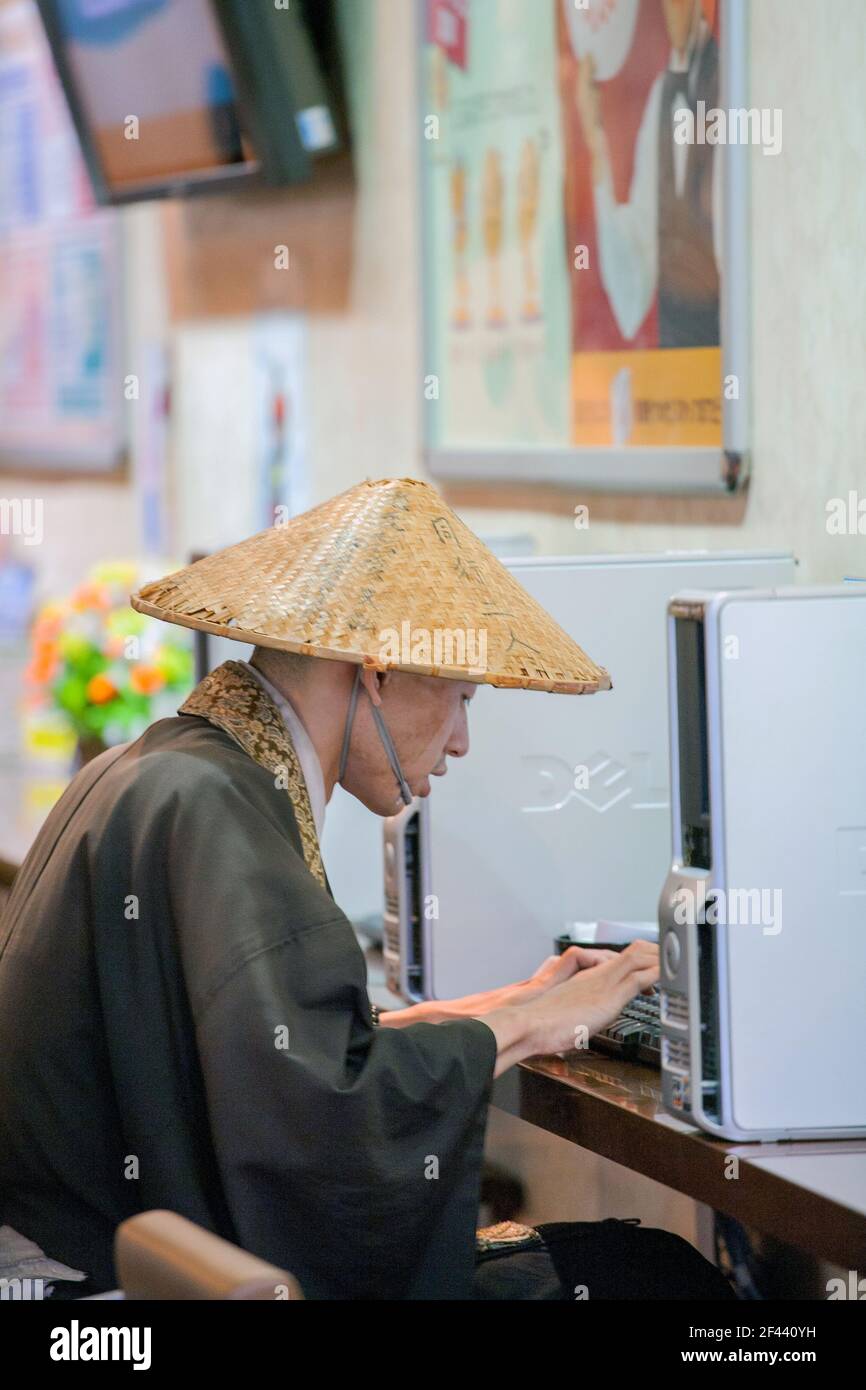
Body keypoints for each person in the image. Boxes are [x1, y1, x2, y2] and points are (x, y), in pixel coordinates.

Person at [0, 477, 733, 1300]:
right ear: (376, 674)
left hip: (93, 1267)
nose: (461, 741)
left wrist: (498, 1010)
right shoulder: (216, 811)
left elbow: (266, 1052)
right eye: (460, 698)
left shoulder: (162, 771)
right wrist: (530, 1025)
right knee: (660, 1280)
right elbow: (318, 1118)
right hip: (112, 1299)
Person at [576, 0, 720, 348]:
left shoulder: (734, 85)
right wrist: (595, 133)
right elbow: (638, 247)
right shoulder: (663, 96)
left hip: (732, 335)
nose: (674, 8)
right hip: (678, 347)